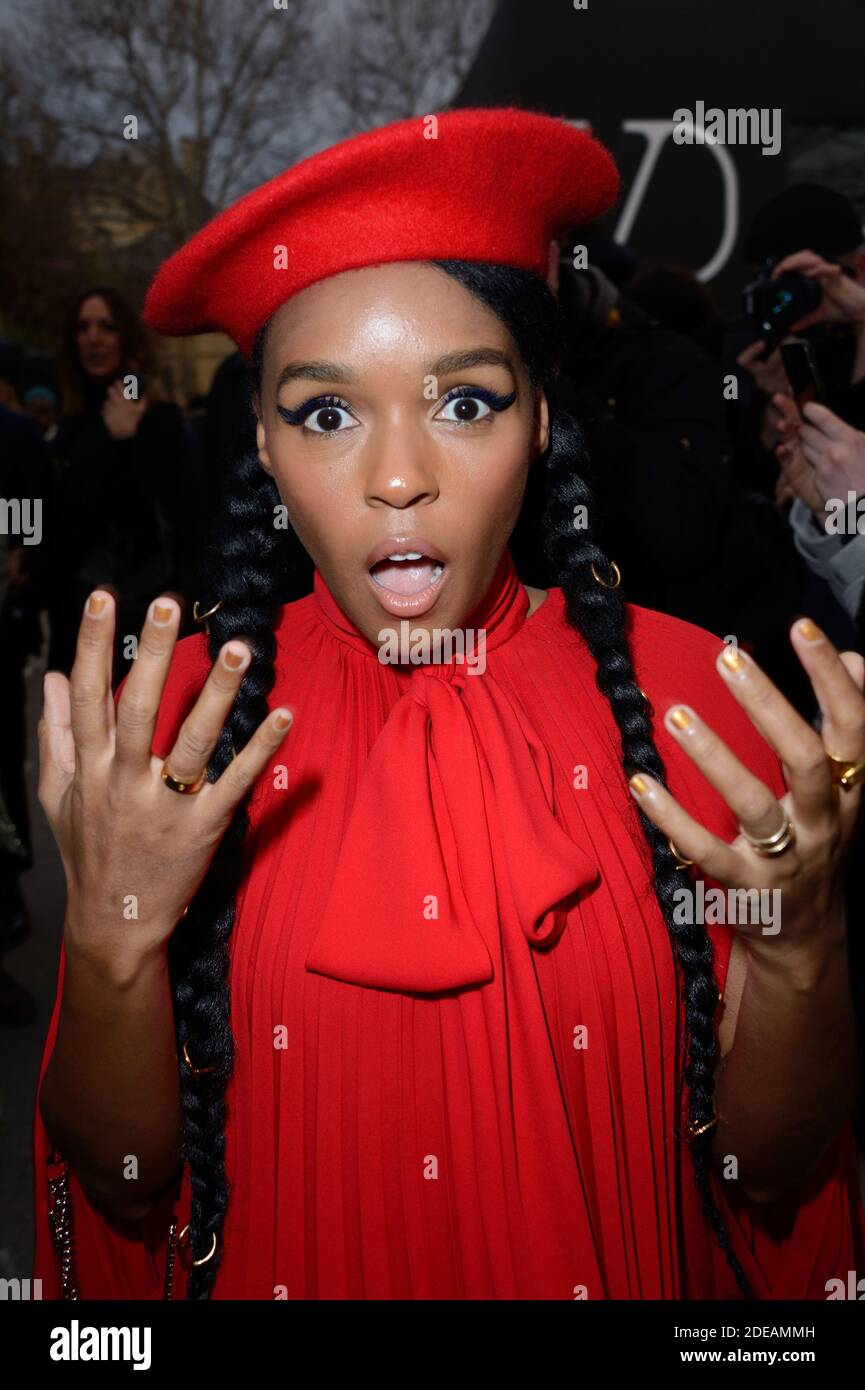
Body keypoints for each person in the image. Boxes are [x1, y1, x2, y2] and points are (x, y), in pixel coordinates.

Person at [31, 108, 865, 1301]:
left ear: (538, 418)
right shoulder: (171, 732)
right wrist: (110, 944)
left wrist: (800, 950)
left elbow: (770, 1179)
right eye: (325, 412)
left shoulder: (697, 706)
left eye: (464, 400)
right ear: (261, 446)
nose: (398, 474)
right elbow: (118, 1185)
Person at [44, 287, 190, 682]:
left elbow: (173, 513)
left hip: (138, 611)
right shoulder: (70, 422)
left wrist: (128, 441)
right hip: (75, 609)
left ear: (125, 336)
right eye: (83, 327)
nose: (93, 338)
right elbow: (61, 519)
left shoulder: (156, 416)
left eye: (106, 327)